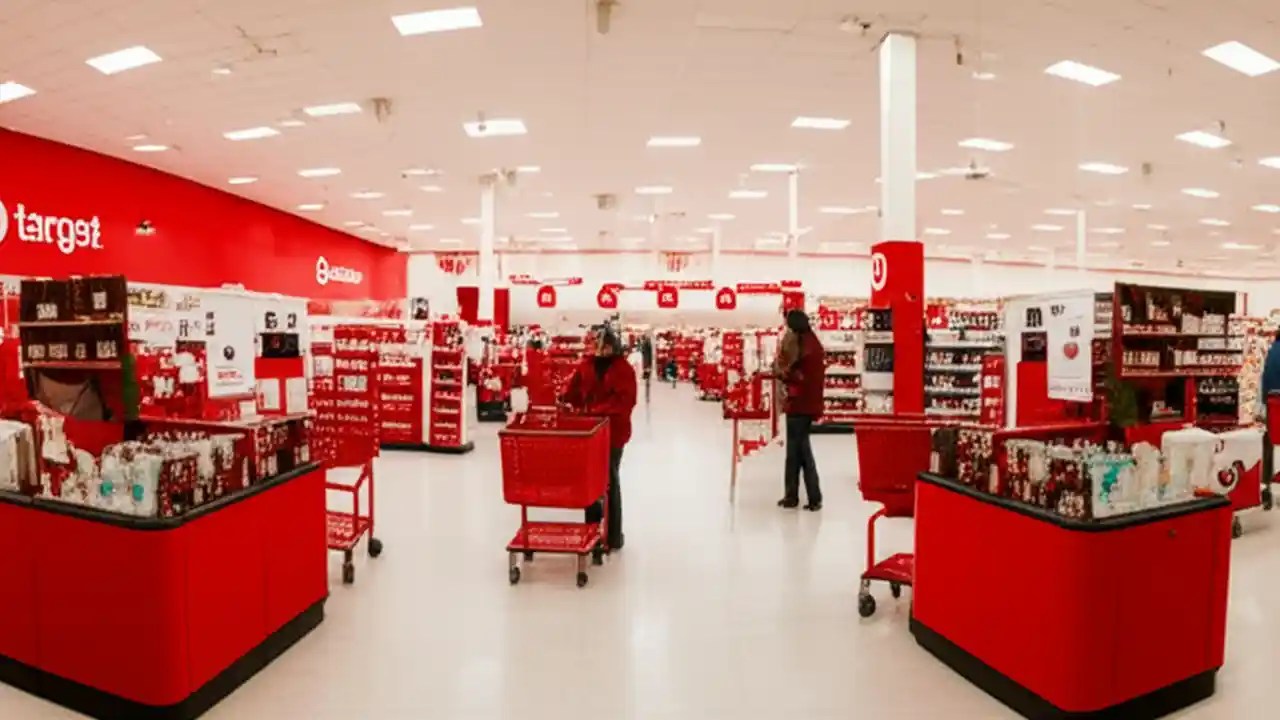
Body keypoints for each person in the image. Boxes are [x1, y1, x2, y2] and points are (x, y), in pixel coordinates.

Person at [561, 325, 637, 551]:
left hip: (613, 433)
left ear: (614, 347)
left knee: (610, 481)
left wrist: (597, 410)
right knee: (590, 482)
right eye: (598, 345)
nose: (601, 350)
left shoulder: (624, 369)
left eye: (606, 346)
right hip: (588, 432)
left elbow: (626, 401)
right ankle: (592, 530)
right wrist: (564, 399)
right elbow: (573, 391)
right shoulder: (586, 365)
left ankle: (613, 535)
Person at [777, 309, 825, 511]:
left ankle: (804, 496)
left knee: (798, 452)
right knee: (799, 451)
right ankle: (799, 495)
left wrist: (782, 374)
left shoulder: (802, 345)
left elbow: (795, 374)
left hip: (799, 403)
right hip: (807, 403)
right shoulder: (812, 342)